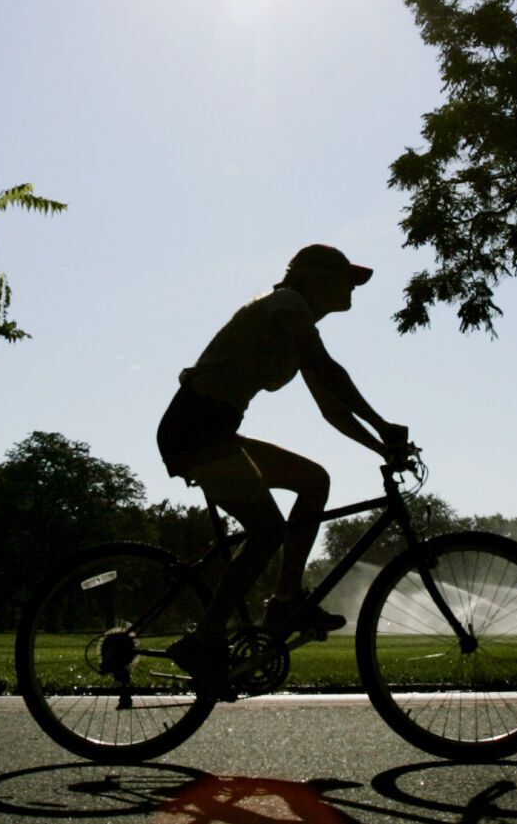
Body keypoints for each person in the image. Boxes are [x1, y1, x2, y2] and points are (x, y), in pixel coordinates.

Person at [157, 243, 411, 696]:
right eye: (345, 278)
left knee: (314, 481)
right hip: (196, 429)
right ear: (315, 279)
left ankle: (285, 601)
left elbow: (331, 409)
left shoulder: (298, 325)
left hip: (213, 428)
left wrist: (380, 446)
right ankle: (204, 640)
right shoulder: (287, 304)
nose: (353, 288)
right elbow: (326, 367)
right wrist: (382, 423)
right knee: (268, 531)